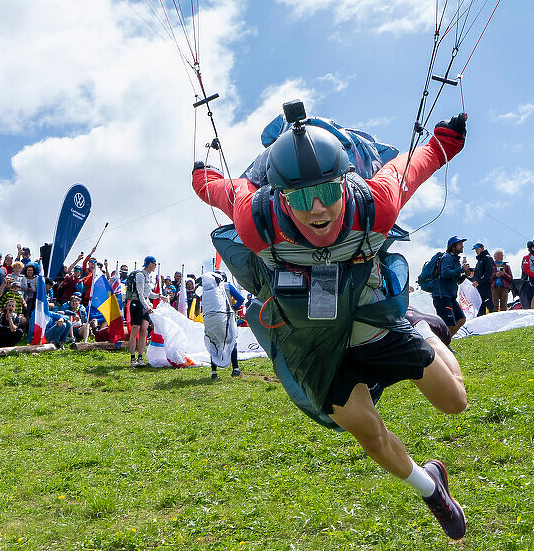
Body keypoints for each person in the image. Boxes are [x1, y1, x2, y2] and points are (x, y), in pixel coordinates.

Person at [193, 107, 470, 538]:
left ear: (345, 183)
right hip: (316, 345)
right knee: (367, 432)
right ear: (281, 196)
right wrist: (201, 176)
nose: (318, 208)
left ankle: (418, 328)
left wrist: (446, 140)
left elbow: (413, 165)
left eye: (328, 193)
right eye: (302, 198)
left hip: (371, 325)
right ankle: (431, 487)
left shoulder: (374, 204)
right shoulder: (256, 218)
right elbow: (224, 192)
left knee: (455, 403)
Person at [200, 270, 244, 379]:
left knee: (213, 342)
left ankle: (214, 372)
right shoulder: (227, 286)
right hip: (225, 318)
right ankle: (235, 369)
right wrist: (233, 308)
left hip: (209, 319)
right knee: (232, 341)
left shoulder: (207, 290)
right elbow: (241, 299)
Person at [125, 256, 159, 367]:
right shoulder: (140, 275)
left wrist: (160, 296)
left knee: (144, 330)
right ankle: (132, 358)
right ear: (150, 264)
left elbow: (148, 294)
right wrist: (146, 307)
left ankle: (140, 357)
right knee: (135, 329)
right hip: (137, 304)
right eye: (154, 264)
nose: (155, 266)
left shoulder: (148, 276)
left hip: (145, 305)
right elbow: (140, 294)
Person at [432, 237, 468, 336]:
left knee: (461, 319)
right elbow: (445, 273)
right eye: (460, 244)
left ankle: (445, 343)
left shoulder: (455, 259)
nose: (462, 246)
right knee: (447, 323)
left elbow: (457, 281)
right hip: (442, 295)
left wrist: (465, 275)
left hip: (450, 295)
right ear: (453, 246)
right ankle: (442, 345)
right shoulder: (447, 257)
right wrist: (461, 270)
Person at [469, 243, 495, 315]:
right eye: (475, 250)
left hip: (485, 285)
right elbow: (477, 275)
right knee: (481, 305)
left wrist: (478, 281)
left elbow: (488, 272)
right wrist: (470, 279)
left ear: (482, 248)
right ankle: (480, 321)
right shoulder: (479, 261)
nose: (476, 251)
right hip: (479, 286)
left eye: (478, 249)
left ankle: (495, 320)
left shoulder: (487, 258)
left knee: (489, 304)